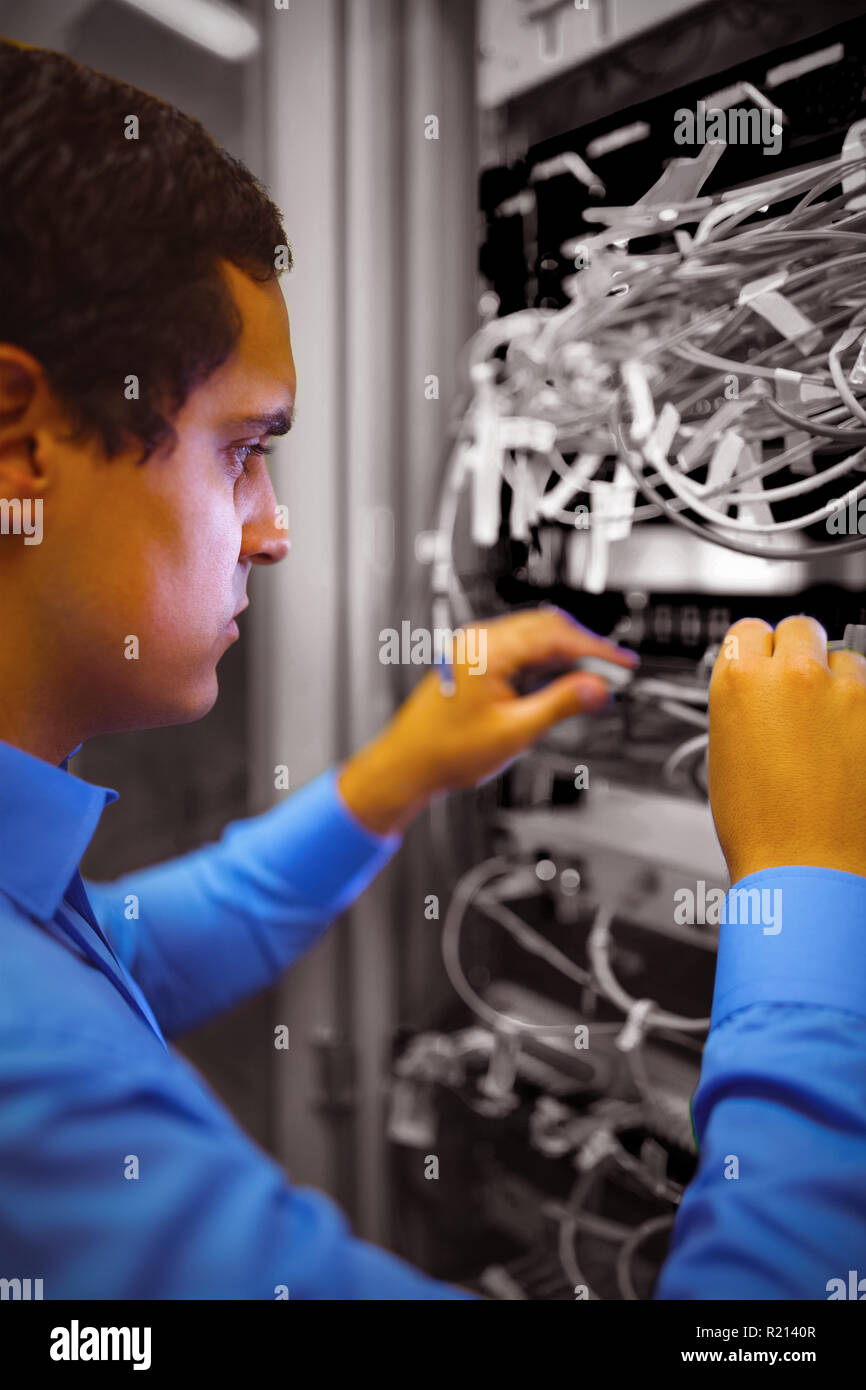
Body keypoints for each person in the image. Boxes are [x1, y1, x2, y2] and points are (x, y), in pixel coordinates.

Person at [1, 41, 864, 1302]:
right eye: (243, 450)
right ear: (19, 441)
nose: (274, 527)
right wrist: (806, 887)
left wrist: (395, 775)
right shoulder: (31, 1086)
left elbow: (136, 950)